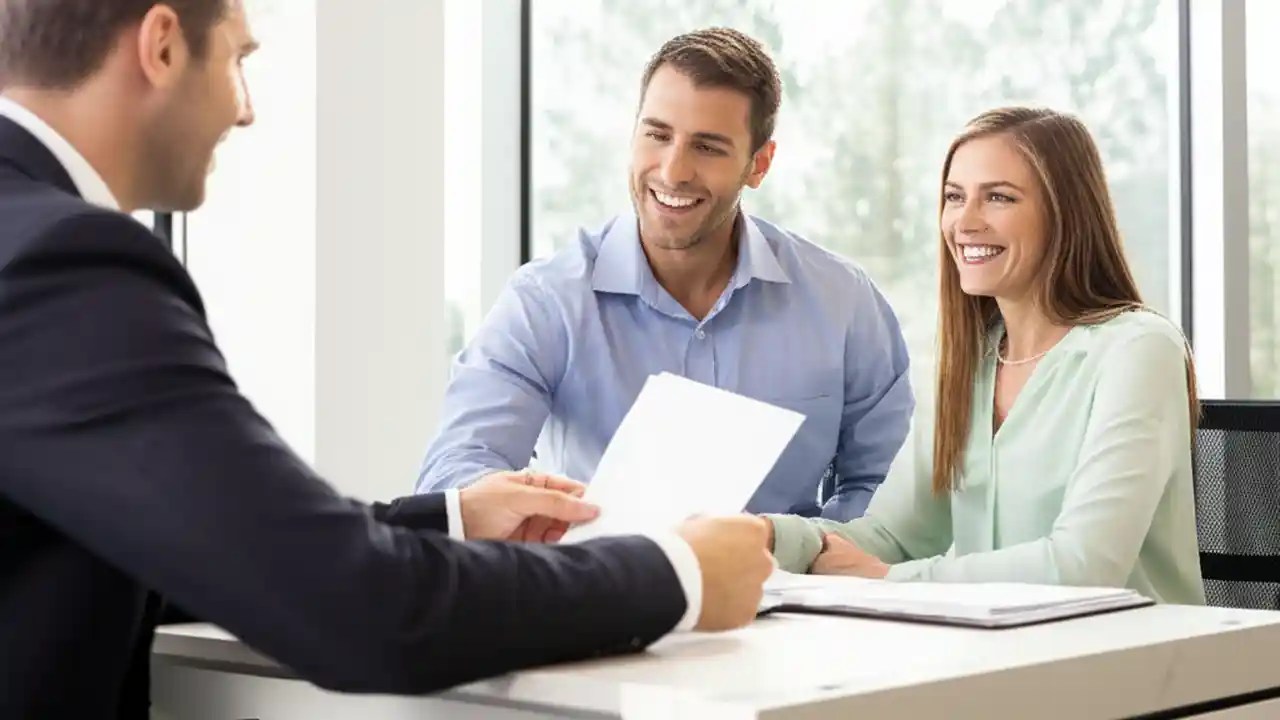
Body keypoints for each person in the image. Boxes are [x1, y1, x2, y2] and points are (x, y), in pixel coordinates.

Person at [0, 2, 773, 717]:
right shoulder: (66, 266)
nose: (245, 108)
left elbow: (198, 537)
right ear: (163, 45)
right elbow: (356, 606)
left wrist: (452, 520)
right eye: (238, 61)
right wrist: (676, 574)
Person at [417, 27, 913, 521]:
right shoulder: (545, 301)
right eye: (657, 135)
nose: (673, 171)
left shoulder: (842, 302)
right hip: (602, 588)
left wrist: (807, 551)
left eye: (708, 147)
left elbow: (888, 489)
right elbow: (458, 473)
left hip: (789, 589)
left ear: (758, 164)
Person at [761, 107, 1205, 605]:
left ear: (1066, 212)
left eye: (998, 197)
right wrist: (770, 537)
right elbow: (895, 537)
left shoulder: (1138, 350)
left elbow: (1086, 565)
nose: (964, 222)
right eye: (954, 197)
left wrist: (887, 581)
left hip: (1133, 667)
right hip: (997, 659)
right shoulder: (969, 364)